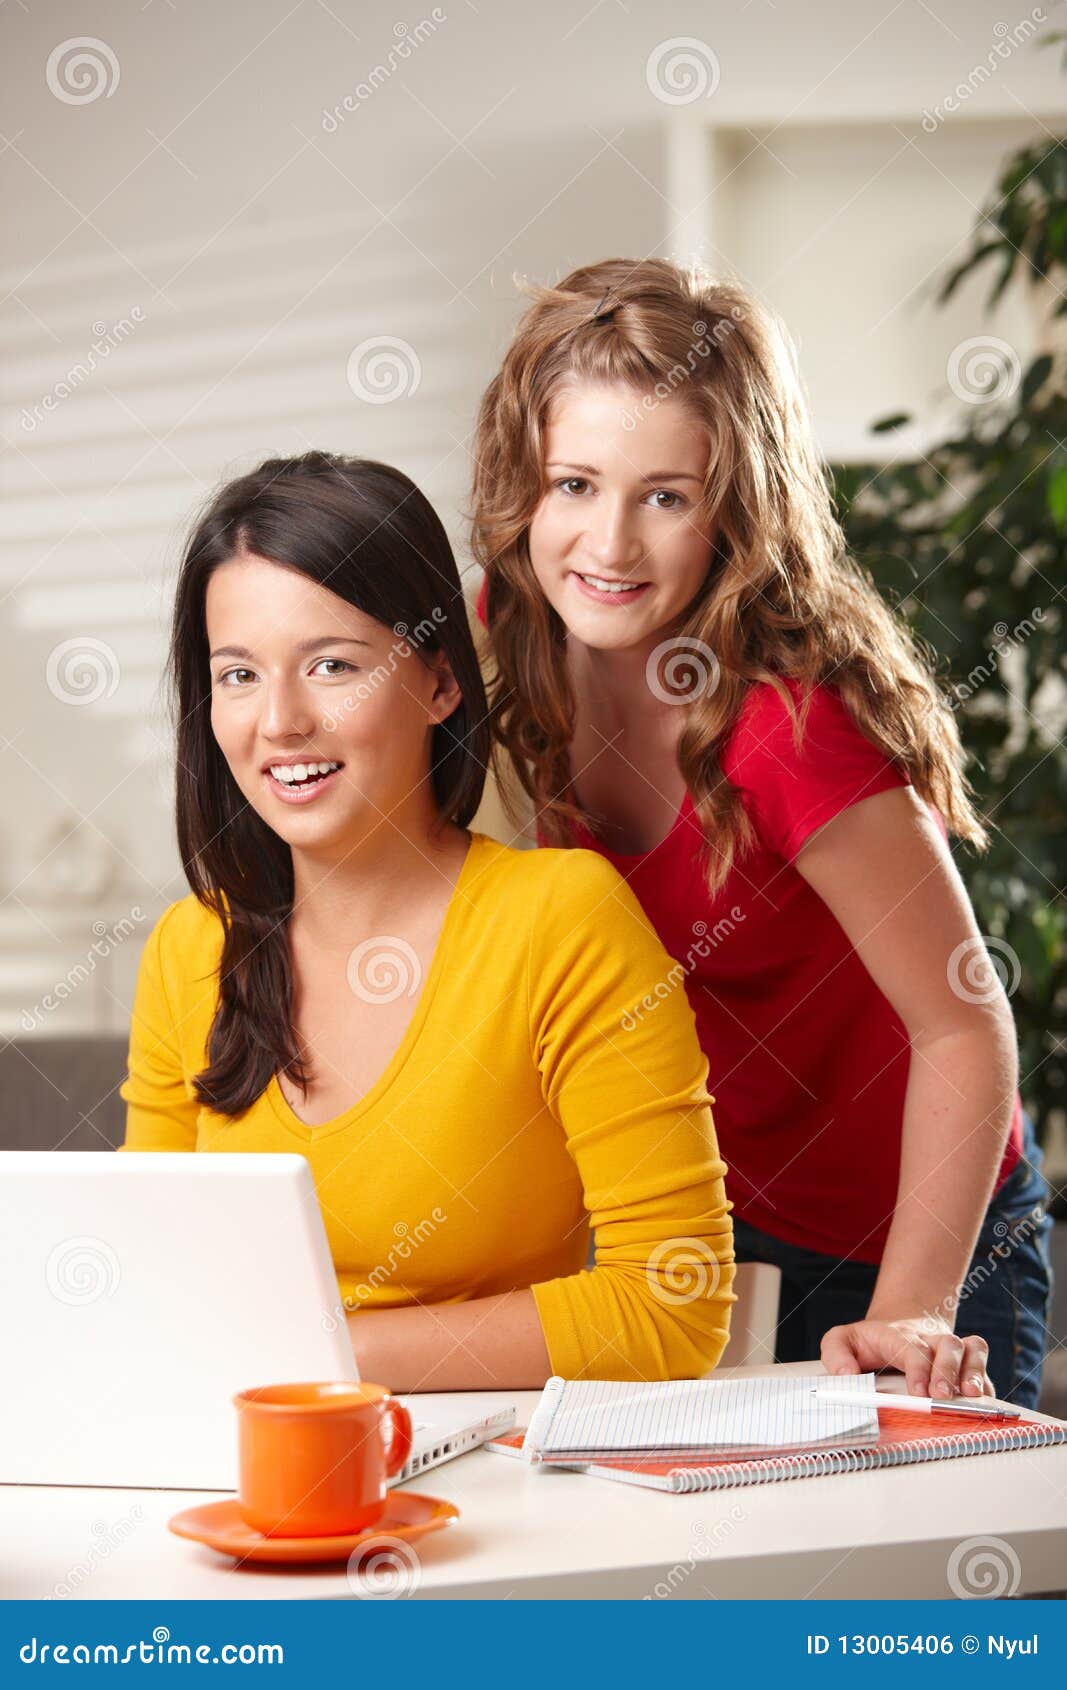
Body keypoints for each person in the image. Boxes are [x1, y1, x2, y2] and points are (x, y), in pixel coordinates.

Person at [471, 257, 1053, 1408]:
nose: (609, 543)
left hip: (923, 1243)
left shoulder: (784, 730)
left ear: (734, 507)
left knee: (912, 1580)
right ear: (519, 489)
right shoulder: (515, 640)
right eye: (573, 484)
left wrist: (910, 1309)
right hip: (721, 1227)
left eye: (665, 496)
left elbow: (961, 1019)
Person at [119, 449, 736, 1391]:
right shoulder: (188, 950)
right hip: (248, 1467)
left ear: (440, 684)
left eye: (332, 665)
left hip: (505, 1491)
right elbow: (148, 1282)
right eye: (237, 675)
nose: (279, 721)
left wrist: (321, 1359)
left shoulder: (558, 920)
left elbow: (671, 1304)